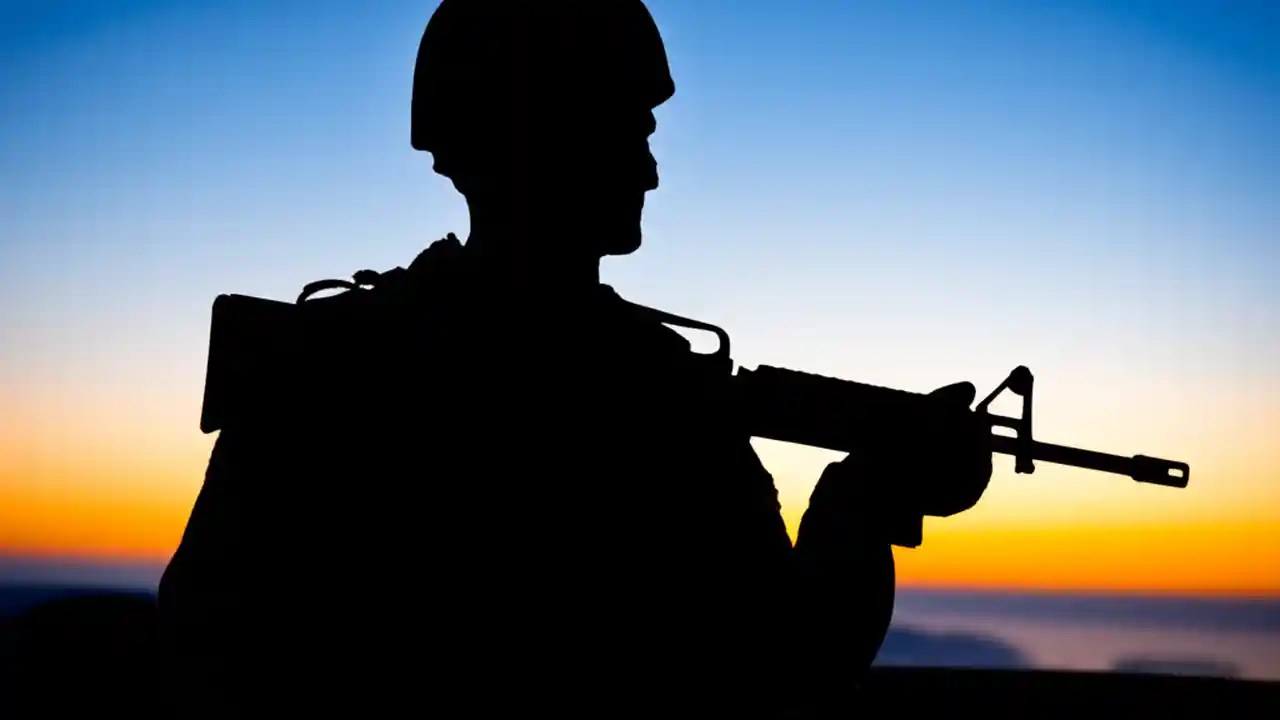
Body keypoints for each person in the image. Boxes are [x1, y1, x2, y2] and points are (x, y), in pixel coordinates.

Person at [157, 1, 992, 716]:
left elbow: (204, 636)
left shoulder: (327, 355)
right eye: (631, 129)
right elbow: (783, 667)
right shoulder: (655, 391)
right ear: (548, 133)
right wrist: (857, 504)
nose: (652, 172)